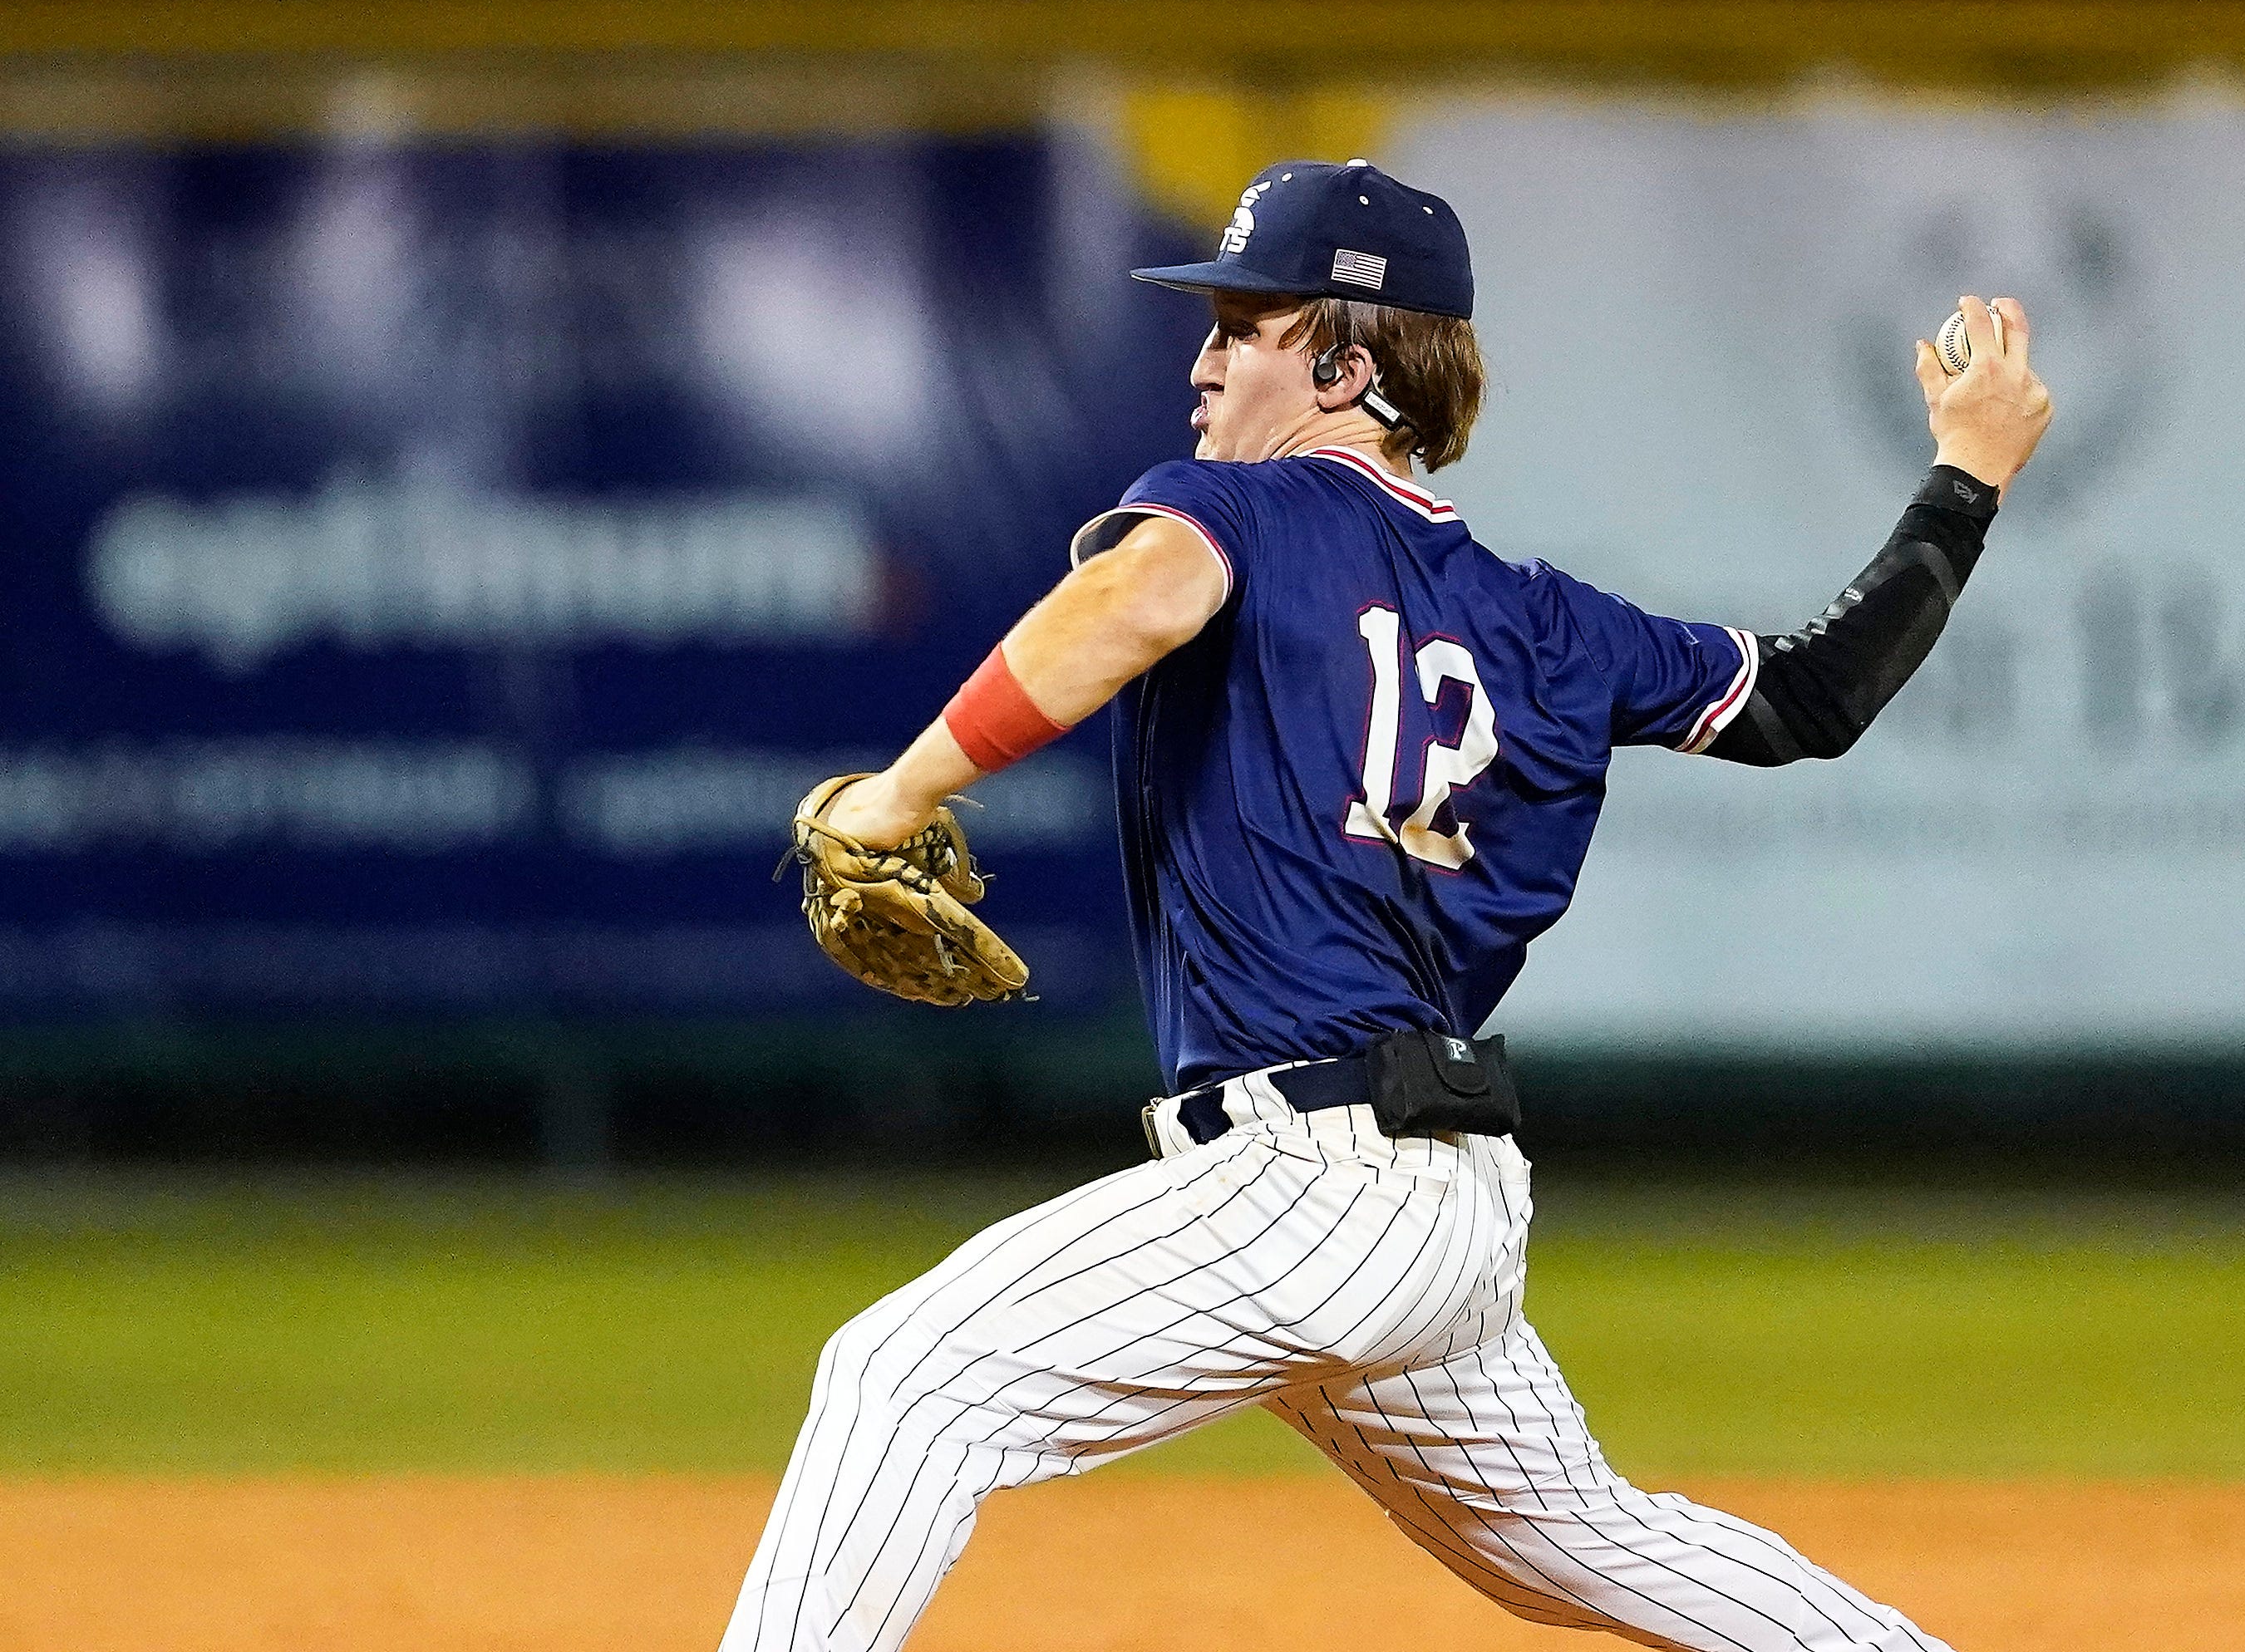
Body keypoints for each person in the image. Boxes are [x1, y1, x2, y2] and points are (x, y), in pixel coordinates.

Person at [720, 158, 2052, 1652]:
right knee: (1586, 1545)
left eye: (1245, 326)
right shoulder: (1554, 623)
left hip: (1308, 1184)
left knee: (908, 1382)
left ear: (1349, 368)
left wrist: (898, 793)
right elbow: (1813, 696)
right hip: (1444, 1201)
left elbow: (1135, 599)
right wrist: (1968, 476)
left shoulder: (1239, 511)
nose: (1204, 359)